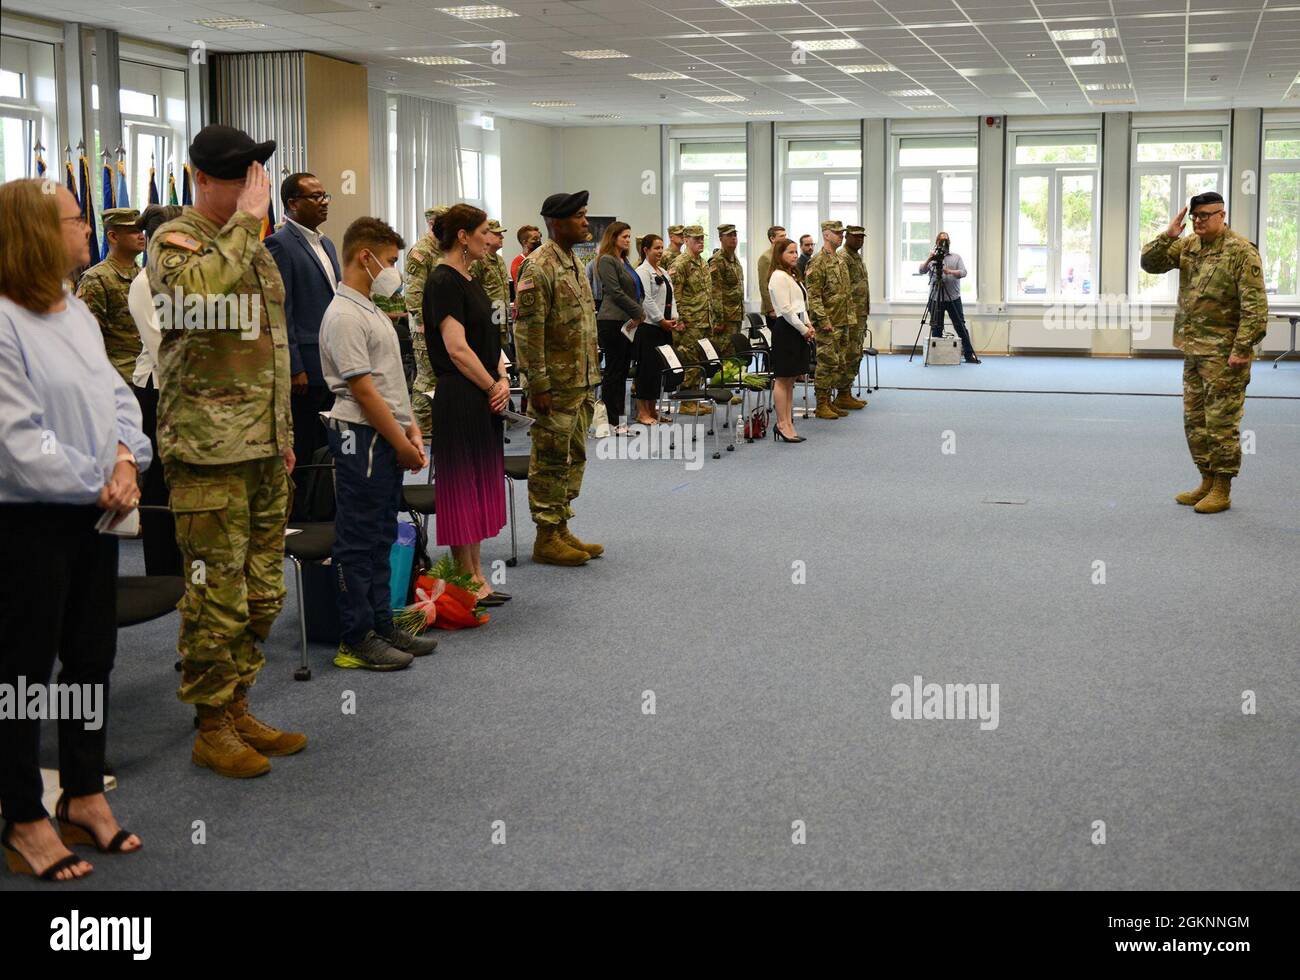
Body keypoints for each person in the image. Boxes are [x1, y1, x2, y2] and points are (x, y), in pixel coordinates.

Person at [0, 177, 152, 880]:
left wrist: (127, 459)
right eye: (71, 219)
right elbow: (17, 441)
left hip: (95, 512)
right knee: (25, 672)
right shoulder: (4, 318)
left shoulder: (75, 310)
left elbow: (117, 396)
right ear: (33, 233)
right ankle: (23, 814)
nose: (86, 227)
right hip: (29, 522)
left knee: (91, 658)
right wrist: (100, 481)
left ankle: (83, 794)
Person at [148, 124, 305, 779]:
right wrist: (246, 222)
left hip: (264, 449)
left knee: (265, 594)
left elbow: (274, 346)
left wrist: (286, 437)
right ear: (202, 180)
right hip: (207, 453)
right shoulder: (173, 241)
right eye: (237, 177)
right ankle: (210, 725)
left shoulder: (253, 246)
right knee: (216, 598)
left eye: (254, 176)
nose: (251, 187)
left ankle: (238, 704)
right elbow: (193, 299)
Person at [320, 217, 437, 670]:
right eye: (390, 261)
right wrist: (400, 440)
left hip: (386, 432)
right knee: (357, 539)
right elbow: (364, 392)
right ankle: (356, 636)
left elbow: (390, 382)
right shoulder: (344, 314)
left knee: (384, 532)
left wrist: (410, 428)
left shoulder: (369, 308)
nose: (395, 271)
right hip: (361, 437)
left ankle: (382, 622)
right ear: (364, 257)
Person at [1140, 191, 1268, 514]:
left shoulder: (1241, 251)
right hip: (1194, 350)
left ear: (1222, 215)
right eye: (1195, 217)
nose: (1198, 221)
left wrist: (1242, 349)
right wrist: (1168, 235)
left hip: (1225, 354)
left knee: (1221, 421)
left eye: (1205, 216)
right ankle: (1206, 480)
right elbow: (1149, 264)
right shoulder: (1188, 247)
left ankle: (1222, 488)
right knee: (1195, 420)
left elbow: (1255, 307)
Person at [514, 190, 603, 566]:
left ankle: (562, 526)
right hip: (555, 386)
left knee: (574, 456)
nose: (586, 222)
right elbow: (528, 334)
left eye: (585, 215)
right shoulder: (537, 267)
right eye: (579, 216)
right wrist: (539, 385)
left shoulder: (572, 262)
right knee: (550, 458)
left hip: (580, 381)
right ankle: (545, 536)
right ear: (556, 222)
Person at [427, 204, 512, 594]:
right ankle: (465, 576)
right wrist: (491, 386)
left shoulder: (472, 278)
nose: (489, 239)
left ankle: (477, 571)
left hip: (483, 391)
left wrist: (503, 375)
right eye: (482, 232)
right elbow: (458, 349)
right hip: (461, 393)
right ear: (463, 235)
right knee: (463, 484)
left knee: (479, 482)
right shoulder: (443, 281)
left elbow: (487, 340)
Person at [265, 173, 340, 517]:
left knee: (328, 443)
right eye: (315, 197)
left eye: (325, 196)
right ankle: (301, 517)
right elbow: (281, 310)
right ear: (293, 203)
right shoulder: (280, 244)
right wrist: (294, 366)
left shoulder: (326, 244)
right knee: (306, 444)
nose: (324, 202)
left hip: (330, 361)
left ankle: (325, 507)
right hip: (305, 368)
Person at [126, 203, 185, 576]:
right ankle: (162, 569)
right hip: (161, 391)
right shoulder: (144, 283)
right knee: (161, 482)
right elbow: (163, 346)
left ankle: (185, 561)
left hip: (189, 390)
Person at [75, 207, 144, 386]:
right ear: (113, 237)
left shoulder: (146, 276)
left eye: (141, 231)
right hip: (117, 381)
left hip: (147, 377)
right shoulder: (95, 279)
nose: (142, 236)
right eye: (134, 231)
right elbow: (86, 339)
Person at [595, 221, 645, 433]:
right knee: (614, 372)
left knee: (623, 371)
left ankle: (619, 420)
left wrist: (636, 312)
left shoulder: (624, 260)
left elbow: (634, 290)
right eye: (624, 236)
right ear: (613, 237)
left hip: (627, 321)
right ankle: (610, 421)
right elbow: (615, 292)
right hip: (612, 320)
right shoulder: (606, 260)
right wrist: (638, 312)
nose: (627, 240)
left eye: (629, 236)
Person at [404, 204, 449, 436]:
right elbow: (413, 294)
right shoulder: (421, 251)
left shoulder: (444, 249)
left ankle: (437, 426)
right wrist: (425, 326)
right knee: (426, 379)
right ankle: (423, 430)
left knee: (439, 378)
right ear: (432, 224)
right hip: (424, 328)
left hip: (441, 326)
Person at [766, 236, 815, 443]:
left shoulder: (791, 275)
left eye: (796, 252)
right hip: (787, 329)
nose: (795, 255)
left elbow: (800, 304)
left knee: (790, 380)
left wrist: (809, 323)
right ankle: (781, 423)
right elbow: (785, 310)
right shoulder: (778, 276)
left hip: (797, 328)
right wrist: (803, 329)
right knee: (782, 378)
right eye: (790, 252)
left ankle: (789, 422)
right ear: (780, 255)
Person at [805, 220, 855, 419]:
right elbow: (814, 295)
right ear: (826, 235)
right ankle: (821, 405)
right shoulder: (817, 261)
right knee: (826, 363)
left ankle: (830, 401)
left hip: (842, 320)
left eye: (841, 232)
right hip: (828, 322)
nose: (841, 235)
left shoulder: (840, 259)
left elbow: (845, 292)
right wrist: (823, 320)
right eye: (836, 233)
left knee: (838, 363)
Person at [633, 233, 679, 425]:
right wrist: (660, 320)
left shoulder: (663, 271)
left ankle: (653, 410)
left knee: (658, 371)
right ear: (646, 250)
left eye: (661, 248)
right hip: (650, 328)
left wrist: (674, 317)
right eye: (656, 248)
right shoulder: (642, 271)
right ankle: (642, 412)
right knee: (646, 370)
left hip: (664, 327)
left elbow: (672, 295)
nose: (660, 252)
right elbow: (646, 299)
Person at [671, 224, 714, 412]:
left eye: (702, 238)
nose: (700, 242)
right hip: (689, 322)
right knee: (689, 360)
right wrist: (679, 321)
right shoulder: (680, 264)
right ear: (686, 240)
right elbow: (675, 296)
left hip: (704, 320)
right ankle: (686, 401)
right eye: (696, 239)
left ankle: (695, 398)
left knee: (700, 360)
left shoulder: (703, 263)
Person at [919, 231, 979, 364]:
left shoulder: (956, 258)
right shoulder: (932, 258)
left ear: (949, 242)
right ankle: (936, 357)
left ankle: (969, 355)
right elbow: (921, 270)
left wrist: (949, 272)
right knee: (936, 327)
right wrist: (930, 258)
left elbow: (964, 272)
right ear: (936, 242)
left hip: (953, 298)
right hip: (935, 298)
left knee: (960, 326)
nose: (943, 243)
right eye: (941, 240)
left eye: (945, 240)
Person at [837, 224, 870, 409]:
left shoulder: (855, 257)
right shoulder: (843, 257)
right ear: (847, 237)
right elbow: (843, 289)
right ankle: (842, 393)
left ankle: (846, 392)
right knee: (850, 354)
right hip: (850, 315)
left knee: (855, 353)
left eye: (862, 237)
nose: (860, 240)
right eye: (856, 237)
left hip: (859, 314)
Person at [471, 218, 512, 354]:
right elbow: (473, 293)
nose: (502, 237)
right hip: (488, 318)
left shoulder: (499, 260)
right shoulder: (478, 261)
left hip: (501, 317)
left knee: (504, 358)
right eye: (497, 234)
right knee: (491, 355)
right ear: (485, 235)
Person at [708, 223, 744, 362]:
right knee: (725, 353)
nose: (733, 238)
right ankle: (722, 383)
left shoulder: (735, 259)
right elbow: (715, 292)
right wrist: (719, 319)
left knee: (734, 353)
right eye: (729, 235)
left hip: (736, 314)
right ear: (720, 238)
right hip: (725, 317)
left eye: (735, 235)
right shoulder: (717, 260)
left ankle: (733, 382)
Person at [756, 224, 785, 317]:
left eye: (785, 235)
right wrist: (770, 309)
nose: (785, 239)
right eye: (781, 236)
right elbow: (764, 285)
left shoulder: (783, 256)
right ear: (772, 239)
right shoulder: (765, 258)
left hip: (784, 306)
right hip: (773, 308)